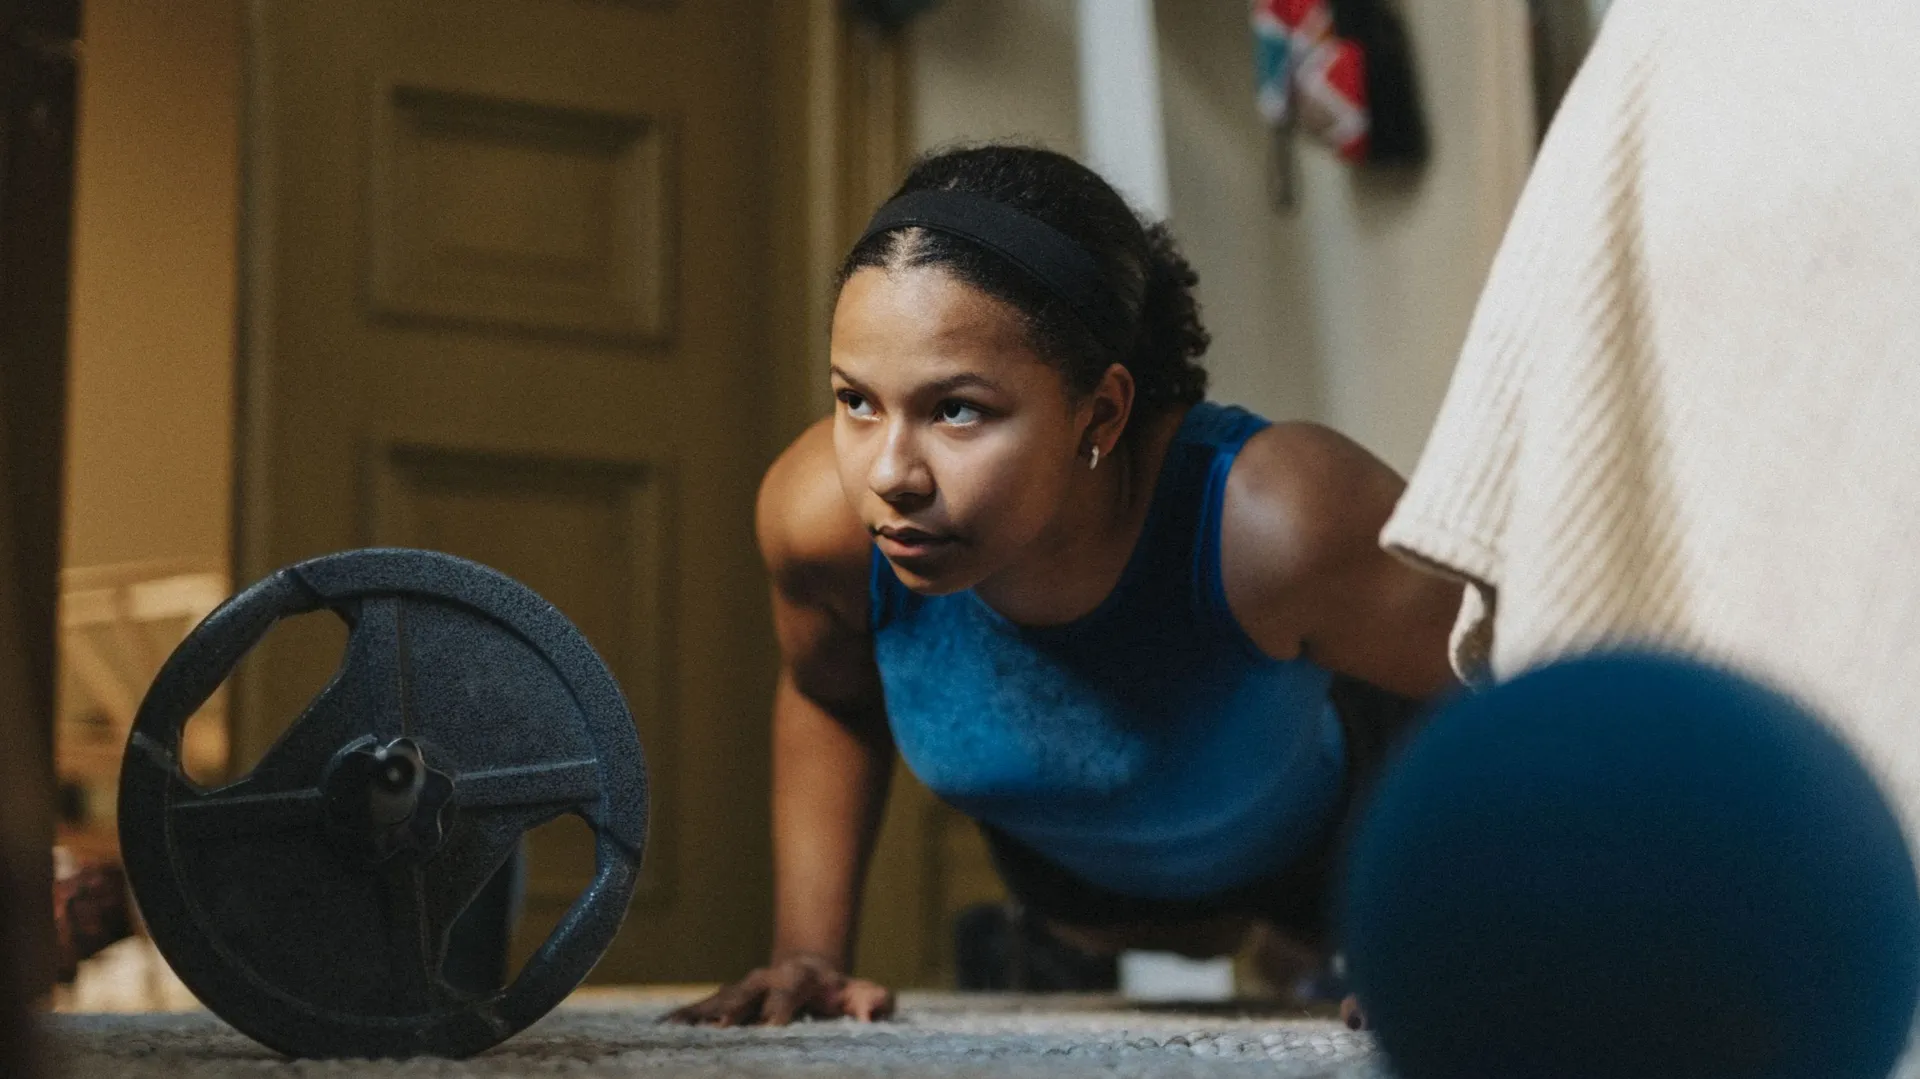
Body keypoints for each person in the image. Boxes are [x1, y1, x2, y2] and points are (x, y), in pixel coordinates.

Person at [667, 144, 1460, 1028]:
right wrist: (807, 954)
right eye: (857, 400)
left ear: (1103, 412)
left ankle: (1307, 946)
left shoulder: (1281, 518)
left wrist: (1459, 927)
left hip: (1325, 853)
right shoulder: (820, 519)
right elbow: (832, 697)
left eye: (956, 409)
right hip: (1069, 890)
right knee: (1137, 937)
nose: (889, 475)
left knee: (1321, 949)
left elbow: (1516, 693)